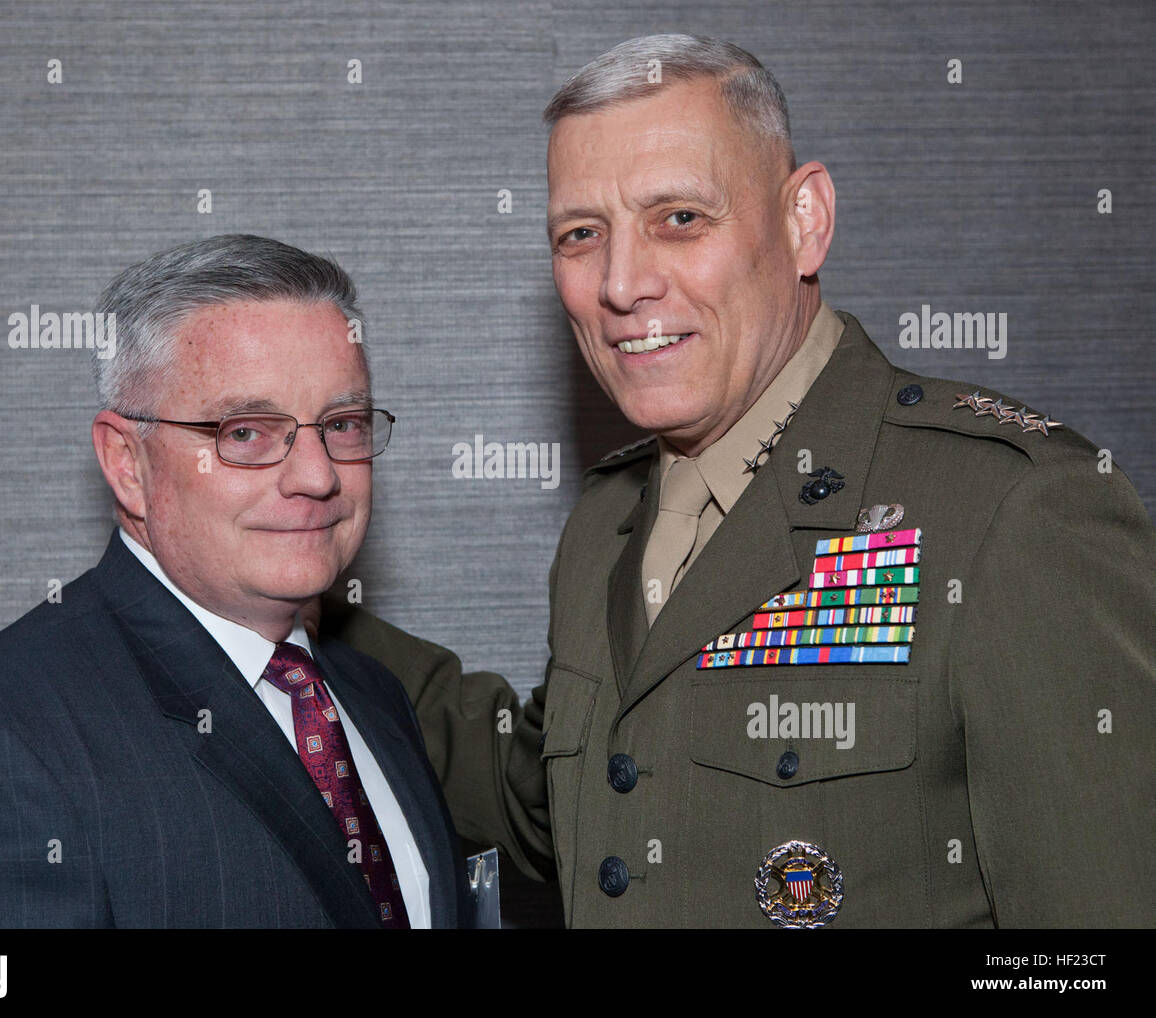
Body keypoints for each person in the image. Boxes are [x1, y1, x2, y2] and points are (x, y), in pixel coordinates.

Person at [333, 34, 1156, 927]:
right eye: (581, 234)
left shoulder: (1010, 510)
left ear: (805, 221)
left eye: (679, 218)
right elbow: (561, 800)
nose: (622, 283)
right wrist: (289, 605)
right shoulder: (609, 522)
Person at [0, 234, 470, 928]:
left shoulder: (370, 697)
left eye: (343, 424)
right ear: (126, 463)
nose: (318, 476)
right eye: (246, 433)